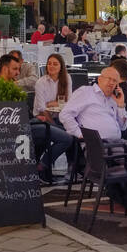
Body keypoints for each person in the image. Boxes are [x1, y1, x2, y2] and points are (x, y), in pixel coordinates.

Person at [58, 66, 127, 208]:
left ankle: (121, 190)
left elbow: (122, 127)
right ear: (99, 79)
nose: (112, 83)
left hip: (118, 142)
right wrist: (79, 134)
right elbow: (64, 115)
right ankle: (126, 194)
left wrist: (121, 106)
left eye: (115, 81)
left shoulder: (112, 99)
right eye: (109, 79)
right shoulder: (86, 92)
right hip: (99, 146)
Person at [29, 53, 76, 183]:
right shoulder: (41, 82)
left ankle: (73, 168)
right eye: (49, 63)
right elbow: (43, 109)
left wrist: (52, 103)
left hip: (60, 117)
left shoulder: (67, 78)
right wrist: (54, 124)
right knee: (67, 137)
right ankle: (42, 166)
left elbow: (70, 102)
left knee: (75, 132)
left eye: (55, 64)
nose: (51, 66)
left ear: (61, 66)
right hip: (42, 120)